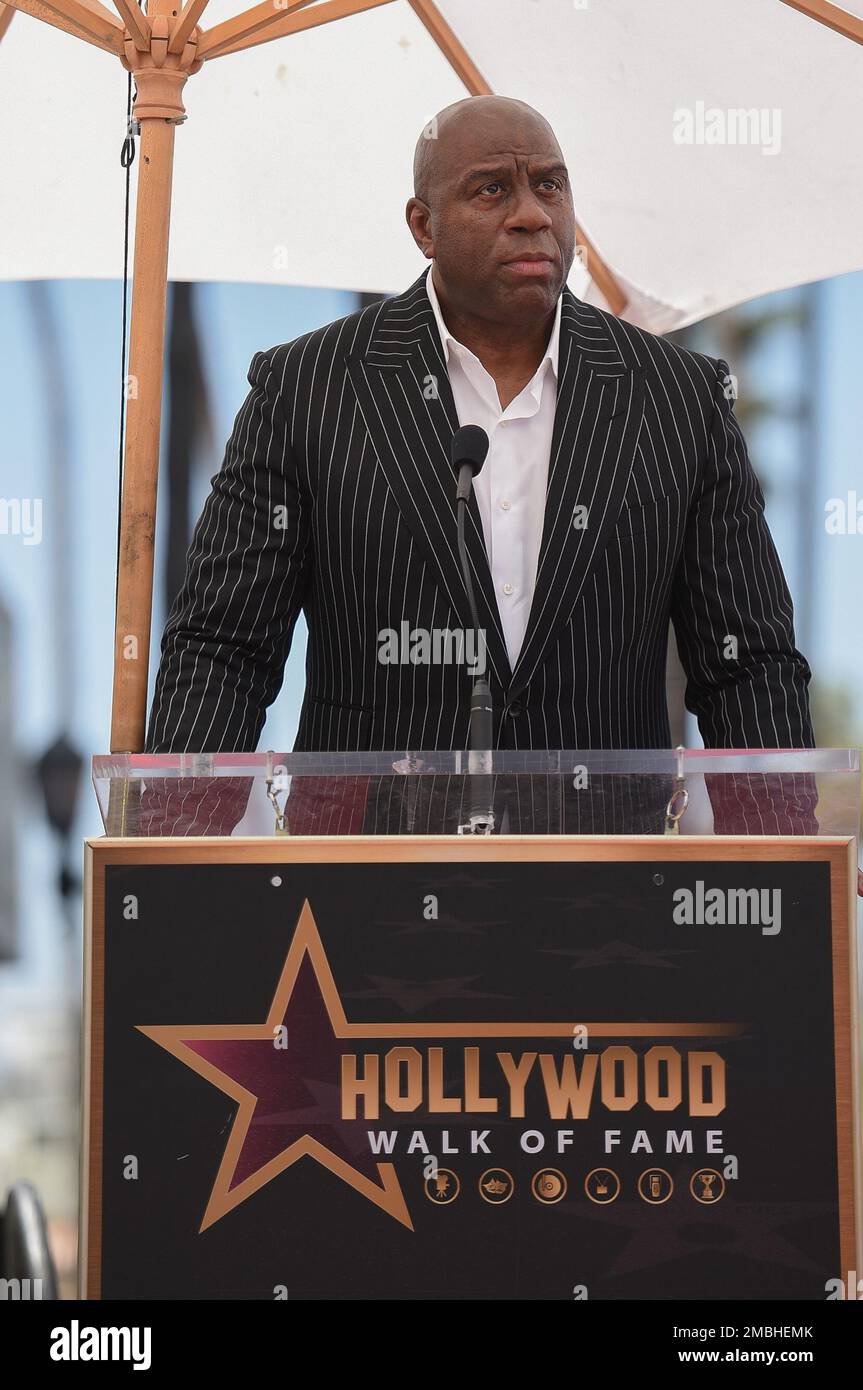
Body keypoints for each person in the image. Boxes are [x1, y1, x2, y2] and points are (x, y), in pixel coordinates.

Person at [145, 94, 814, 765]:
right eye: (491, 189)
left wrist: (788, 856)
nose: (531, 215)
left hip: (603, 860)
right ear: (423, 226)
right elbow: (223, 649)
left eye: (548, 185)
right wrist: (172, 850)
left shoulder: (677, 400)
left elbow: (748, 667)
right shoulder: (307, 389)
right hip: (367, 859)